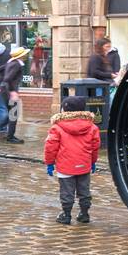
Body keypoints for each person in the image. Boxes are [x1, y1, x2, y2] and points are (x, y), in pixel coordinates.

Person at [45, 95, 101, 225]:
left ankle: (66, 214)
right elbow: (95, 146)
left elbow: (50, 147)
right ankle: (84, 213)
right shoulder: (92, 127)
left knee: (67, 192)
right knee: (84, 191)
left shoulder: (57, 127)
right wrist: (93, 161)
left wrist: (49, 163)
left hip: (65, 167)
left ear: (64, 110)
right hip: (84, 165)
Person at [0, 46, 29, 143]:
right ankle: (10, 137)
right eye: (25, 54)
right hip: (9, 92)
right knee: (13, 115)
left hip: (4, 90)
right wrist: (12, 91)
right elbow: (8, 78)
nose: (26, 55)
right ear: (21, 56)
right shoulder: (16, 64)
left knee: (10, 115)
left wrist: (1, 84)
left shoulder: (11, 62)